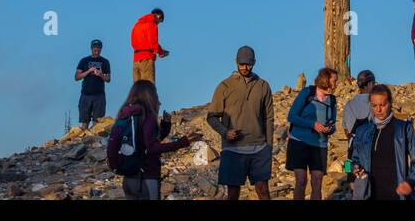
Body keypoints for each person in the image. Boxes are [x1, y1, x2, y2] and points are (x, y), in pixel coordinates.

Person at [106, 79, 202, 199]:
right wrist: (182, 142)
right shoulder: (147, 115)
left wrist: (165, 127)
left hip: (129, 178)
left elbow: (143, 143)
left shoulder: (125, 114)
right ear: (150, 95)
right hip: (147, 177)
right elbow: (152, 147)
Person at [206, 45, 274, 200]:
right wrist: (225, 132)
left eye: (248, 64)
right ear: (236, 61)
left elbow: (269, 118)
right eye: (242, 64)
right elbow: (211, 116)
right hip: (233, 149)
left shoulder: (263, 86)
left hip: (260, 148)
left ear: (254, 62)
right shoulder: (224, 86)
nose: (245, 67)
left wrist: (269, 145)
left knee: (263, 191)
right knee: (233, 193)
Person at [349, 84, 415, 200]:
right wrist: (352, 171)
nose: (378, 110)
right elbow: (349, 161)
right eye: (374, 106)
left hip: (397, 195)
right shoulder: (361, 131)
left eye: (382, 105)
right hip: (369, 194)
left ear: (390, 103)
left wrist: (410, 182)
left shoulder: (404, 128)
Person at [286, 67, 338, 200]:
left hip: (320, 145)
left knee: (317, 182)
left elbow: (333, 123)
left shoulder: (332, 100)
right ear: (326, 80)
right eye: (334, 80)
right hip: (299, 141)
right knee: (301, 180)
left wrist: (330, 128)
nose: (336, 83)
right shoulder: (307, 93)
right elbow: (291, 116)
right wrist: (312, 124)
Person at [341, 69, 376, 198]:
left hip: (352, 144)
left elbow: (345, 130)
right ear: (370, 84)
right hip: (368, 145)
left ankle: (352, 192)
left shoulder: (349, 104)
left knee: (349, 166)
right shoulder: (374, 103)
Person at [74, 38, 111, 128]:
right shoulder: (84, 61)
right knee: (84, 123)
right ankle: (84, 141)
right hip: (86, 95)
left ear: (101, 48)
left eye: (98, 48)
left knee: (97, 124)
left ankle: (95, 141)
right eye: (95, 48)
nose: (97, 50)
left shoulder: (105, 62)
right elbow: (77, 77)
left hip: (99, 96)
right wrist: (88, 71)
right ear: (91, 48)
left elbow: (108, 79)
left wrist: (101, 75)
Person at [130, 8, 169, 85]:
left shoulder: (137, 25)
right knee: (149, 88)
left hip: (135, 59)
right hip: (147, 59)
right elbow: (153, 43)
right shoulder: (152, 24)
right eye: (159, 21)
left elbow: (132, 42)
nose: (158, 23)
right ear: (158, 16)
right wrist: (161, 52)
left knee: (137, 90)